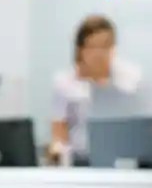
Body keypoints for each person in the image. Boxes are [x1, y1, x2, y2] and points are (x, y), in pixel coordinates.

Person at [50, 15, 144, 164]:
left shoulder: (130, 79)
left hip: (122, 159)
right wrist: (59, 155)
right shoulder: (64, 83)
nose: (100, 53)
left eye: (106, 46)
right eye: (93, 47)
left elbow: (142, 129)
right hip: (80, 161)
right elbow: (58, 135)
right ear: (80, 50)